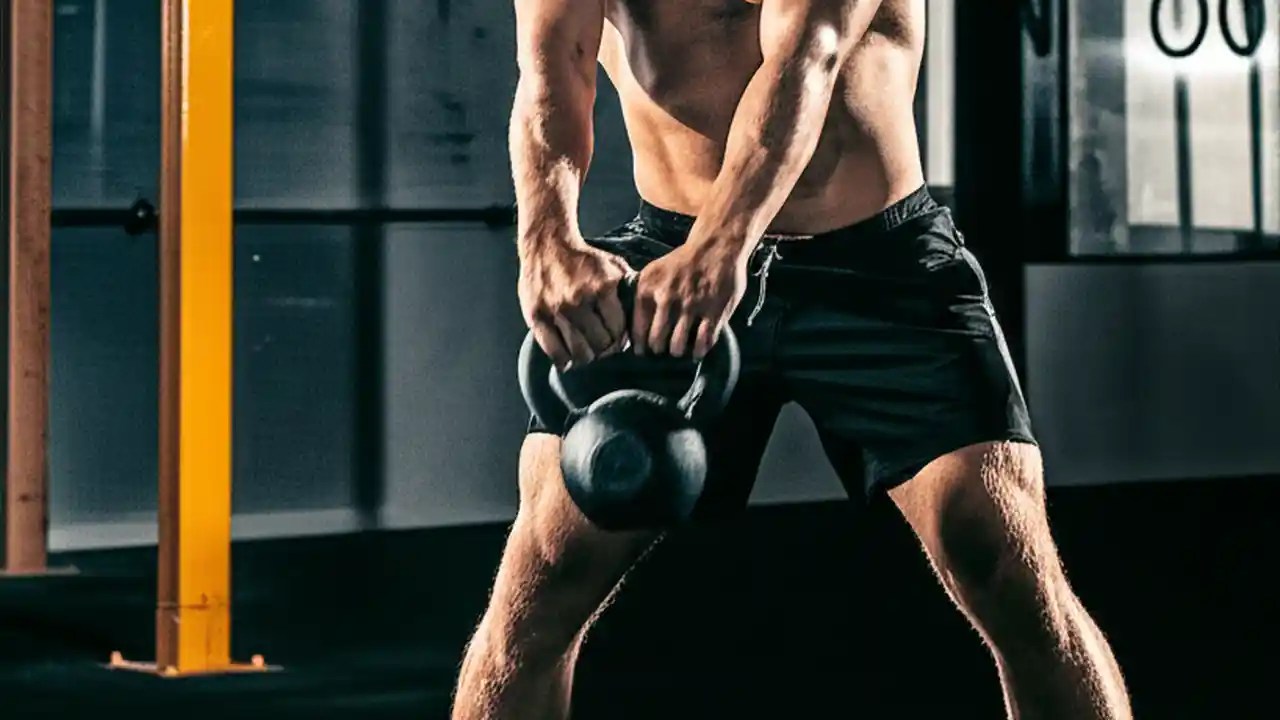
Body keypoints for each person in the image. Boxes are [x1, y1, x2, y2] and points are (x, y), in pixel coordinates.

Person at [453, 0, 1132, 717]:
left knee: (1000, 559)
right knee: (544, 579)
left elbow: (811, 49)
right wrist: (547, 240)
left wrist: (723, 243)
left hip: (880, 266)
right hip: (670, 257)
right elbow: (554, 68)